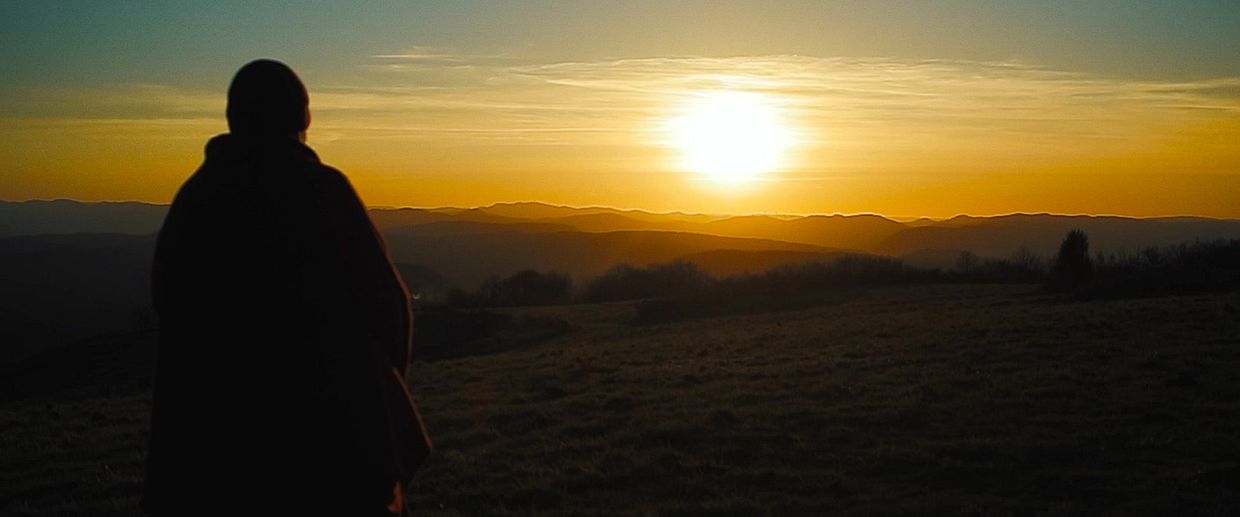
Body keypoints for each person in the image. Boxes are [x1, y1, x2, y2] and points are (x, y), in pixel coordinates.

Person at [143, 59, 429, 516]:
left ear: (235, 119)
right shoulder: (322, 190)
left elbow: (168, 304)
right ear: (302, 119)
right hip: (329, 449)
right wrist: (378, 397)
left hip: (209, 452)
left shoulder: (195, 199)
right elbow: (389, 307)